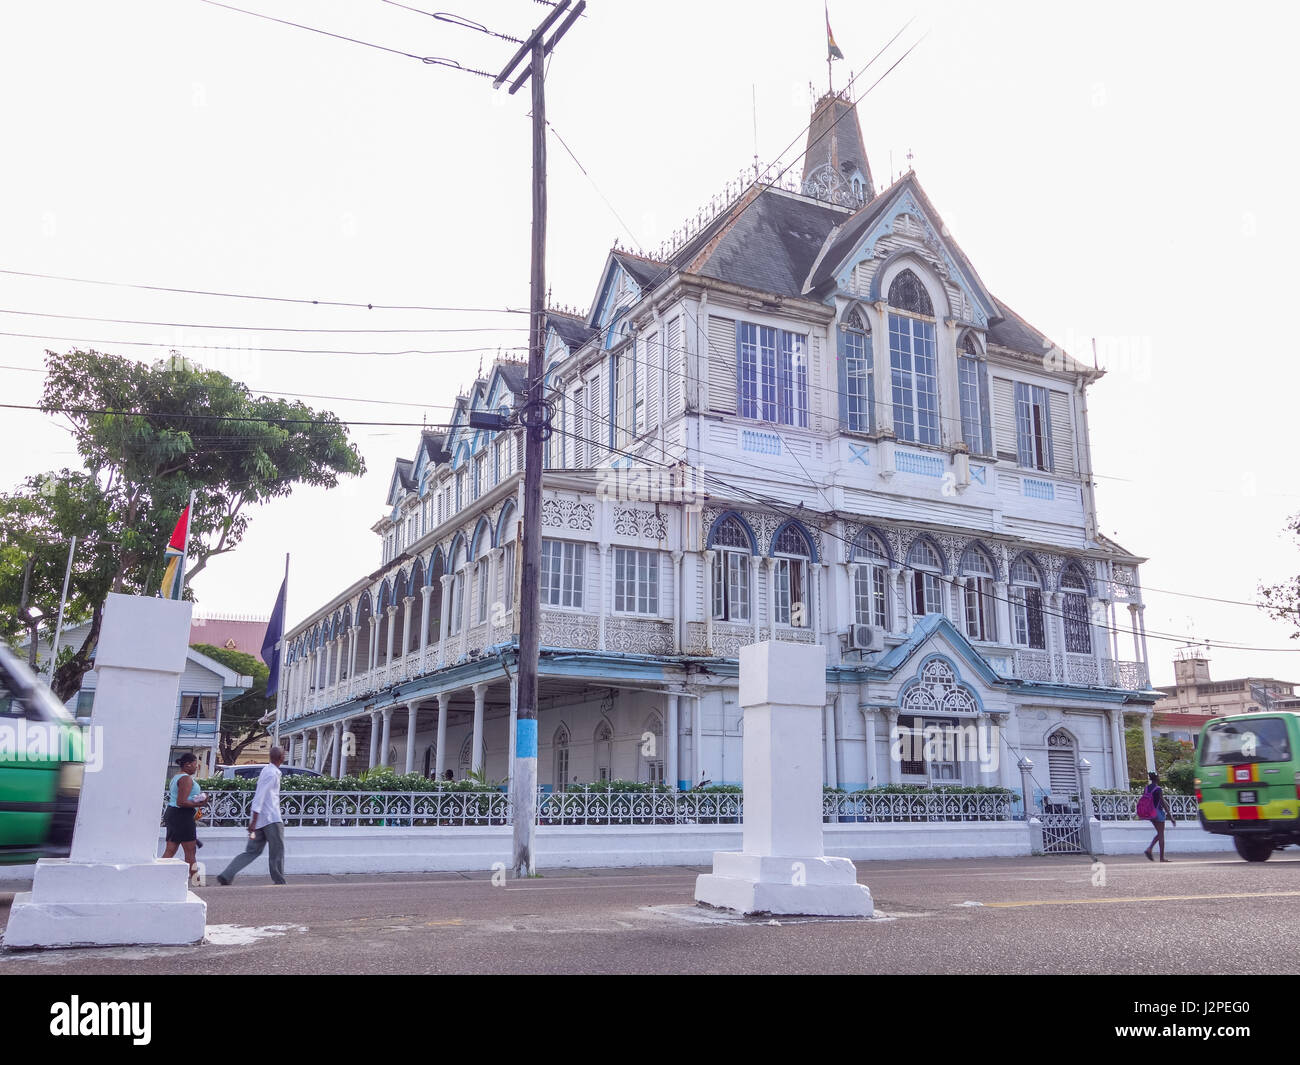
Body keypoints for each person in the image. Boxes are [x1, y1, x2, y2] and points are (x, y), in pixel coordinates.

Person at [217, 747, 287, 885]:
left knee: (251, 851)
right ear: (281, 758)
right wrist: (253, 821)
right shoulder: (272, 774)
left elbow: (259, 796)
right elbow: (260, 796)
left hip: (260, 820)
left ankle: (227, 874)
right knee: (277, 851)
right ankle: (279, 881)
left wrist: (254, 821)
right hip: (271, 819)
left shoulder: (267, 770)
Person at [162, 753, 209, 882]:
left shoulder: (176, 777)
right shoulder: (186, 779)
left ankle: (156, 875)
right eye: (195, 764)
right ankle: (196, 879)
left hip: (174, 814)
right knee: (190, 850)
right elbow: (181, 802)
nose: (196, 767)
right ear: (187, 764)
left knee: (171, 849)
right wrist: (200, 803)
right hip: (182, 815)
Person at [1142, 770, 1176, 862]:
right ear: (1156, 778)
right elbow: (1162, 802)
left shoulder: (1146, 788)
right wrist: (1171, 817)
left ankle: (1149, 849)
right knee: (1161, 835)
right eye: (1159, 777)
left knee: (1159, 833)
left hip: (1150, 813)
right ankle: (1161, 857)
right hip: (1158, 812)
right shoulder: (1158, 789)